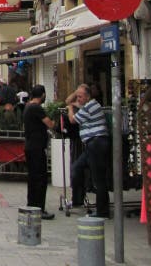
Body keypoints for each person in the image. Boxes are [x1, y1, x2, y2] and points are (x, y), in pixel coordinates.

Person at [67, 83, 110, 218]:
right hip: (92, 145)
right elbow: (68, 100)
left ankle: (103, 211)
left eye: (80, 96)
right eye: (77, 96)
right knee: (77, 168)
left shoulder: (91, 106)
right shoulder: (88, 105)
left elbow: (72, 120)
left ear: (87, 96)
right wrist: (75, 94)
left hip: (96, 144)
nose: (77, 99)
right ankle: (78, 199)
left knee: (99, 179)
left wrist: (69, 108)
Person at [23, 85, 55, 219]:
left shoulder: (27, 107)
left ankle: (31, 205)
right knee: (40, 179)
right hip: (36, 148)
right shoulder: (36, 108)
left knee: (33, 177)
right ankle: (39, 208)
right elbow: (50, 124)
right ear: (42, 95)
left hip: (30, 146)